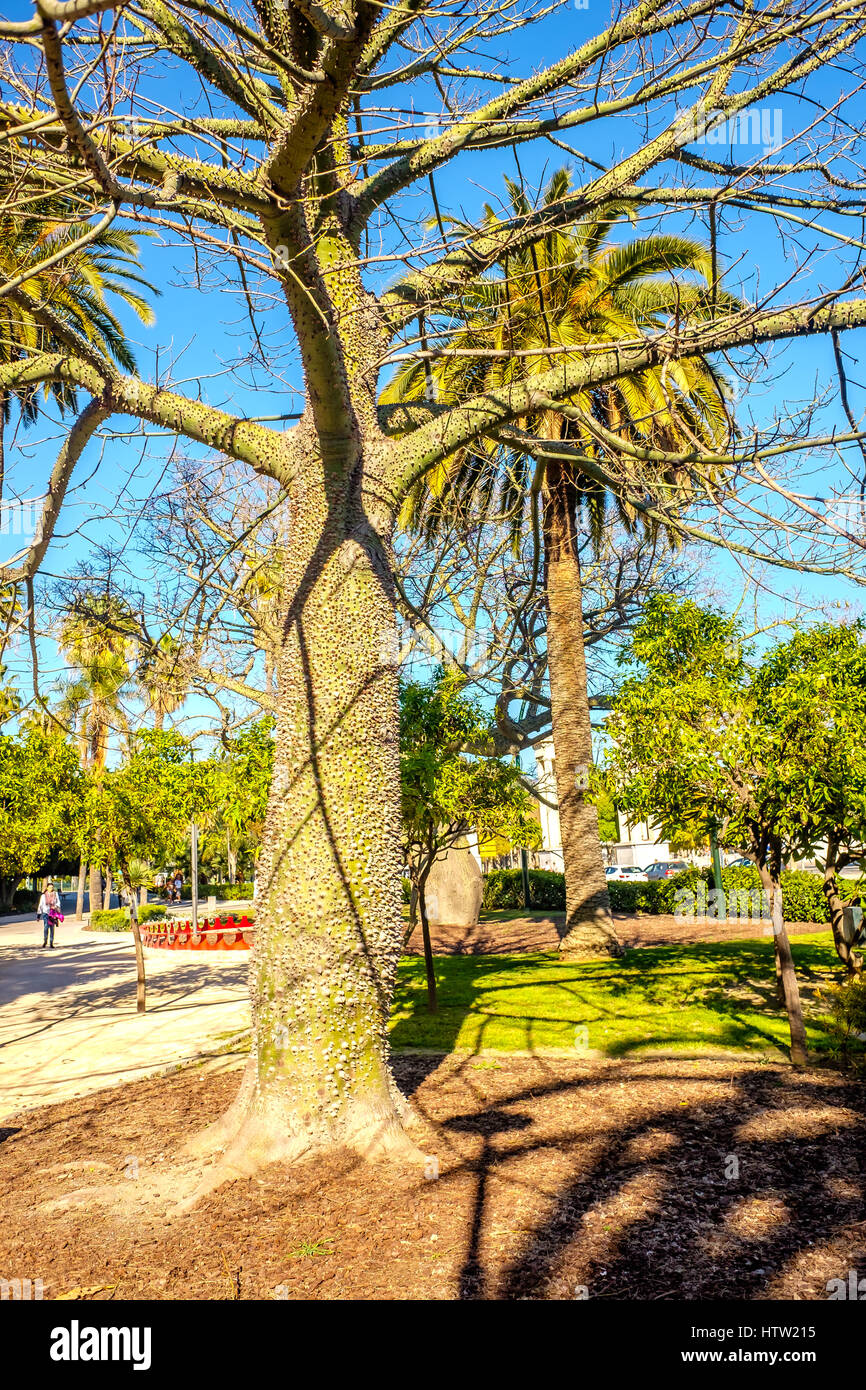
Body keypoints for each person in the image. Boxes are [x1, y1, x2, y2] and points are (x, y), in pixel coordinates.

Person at [37, 881, 64, 949]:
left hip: (53, 913)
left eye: (52, 887)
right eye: (49, 887)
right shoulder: (43, 896)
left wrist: (56, 906)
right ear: (47, 888)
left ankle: (51, 942)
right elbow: (40, 905)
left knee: (52, 928)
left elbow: (58, 902)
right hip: (46, 913)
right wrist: (38, 915)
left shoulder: (55, 894)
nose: (51, 889)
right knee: (46, 927)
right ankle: (45, 941)